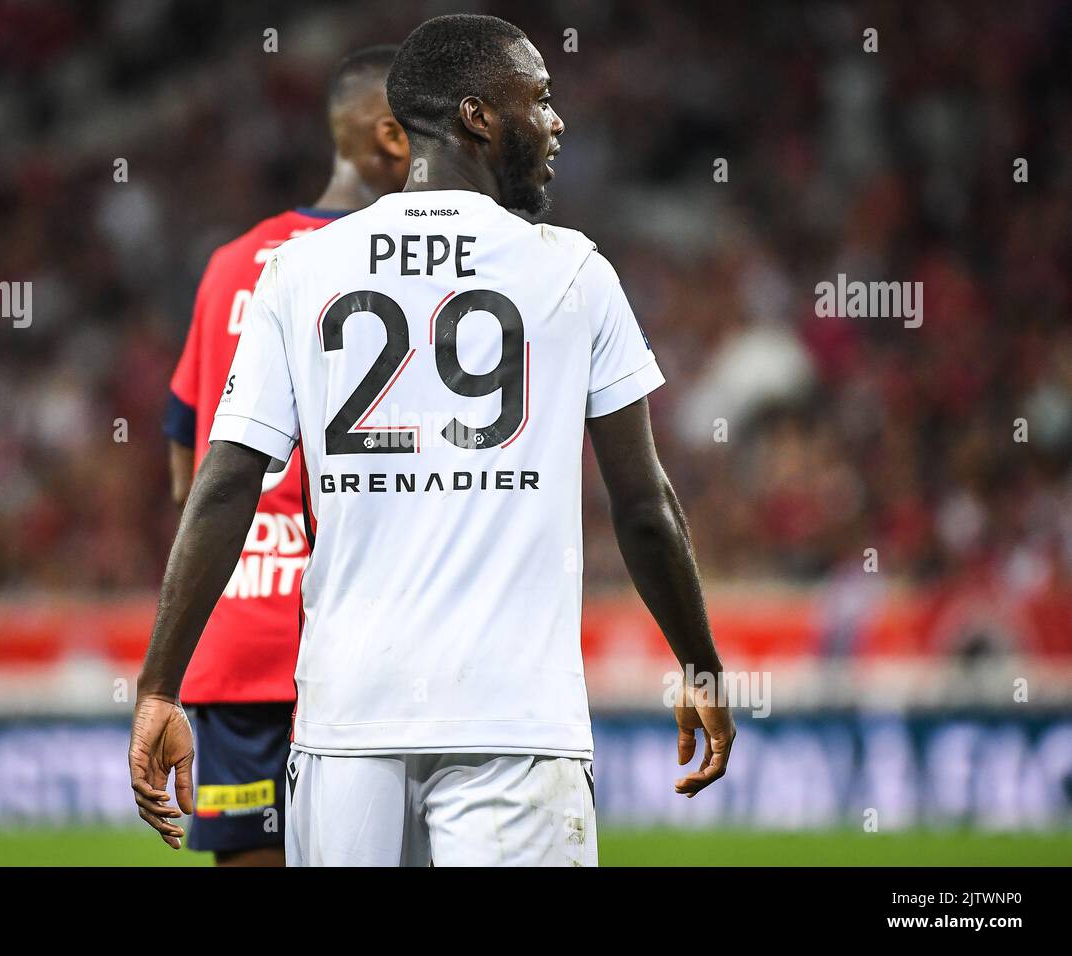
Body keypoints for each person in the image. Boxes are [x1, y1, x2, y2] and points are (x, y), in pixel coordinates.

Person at [131, 14, 733, 867]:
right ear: (479, 117)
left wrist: (160, 685)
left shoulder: (299, 273)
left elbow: (224, 485)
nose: (557, 121)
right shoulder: (571, 270)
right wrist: (700, 665)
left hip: (346, 722)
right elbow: (643, 504)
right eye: (542, 98)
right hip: (514, 721)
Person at [154, 44, 409, 866]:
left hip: (236, 633)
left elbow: (188, 469)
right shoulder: (404, 268)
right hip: (361, 636)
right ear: (396, 137)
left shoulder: (232, 263)